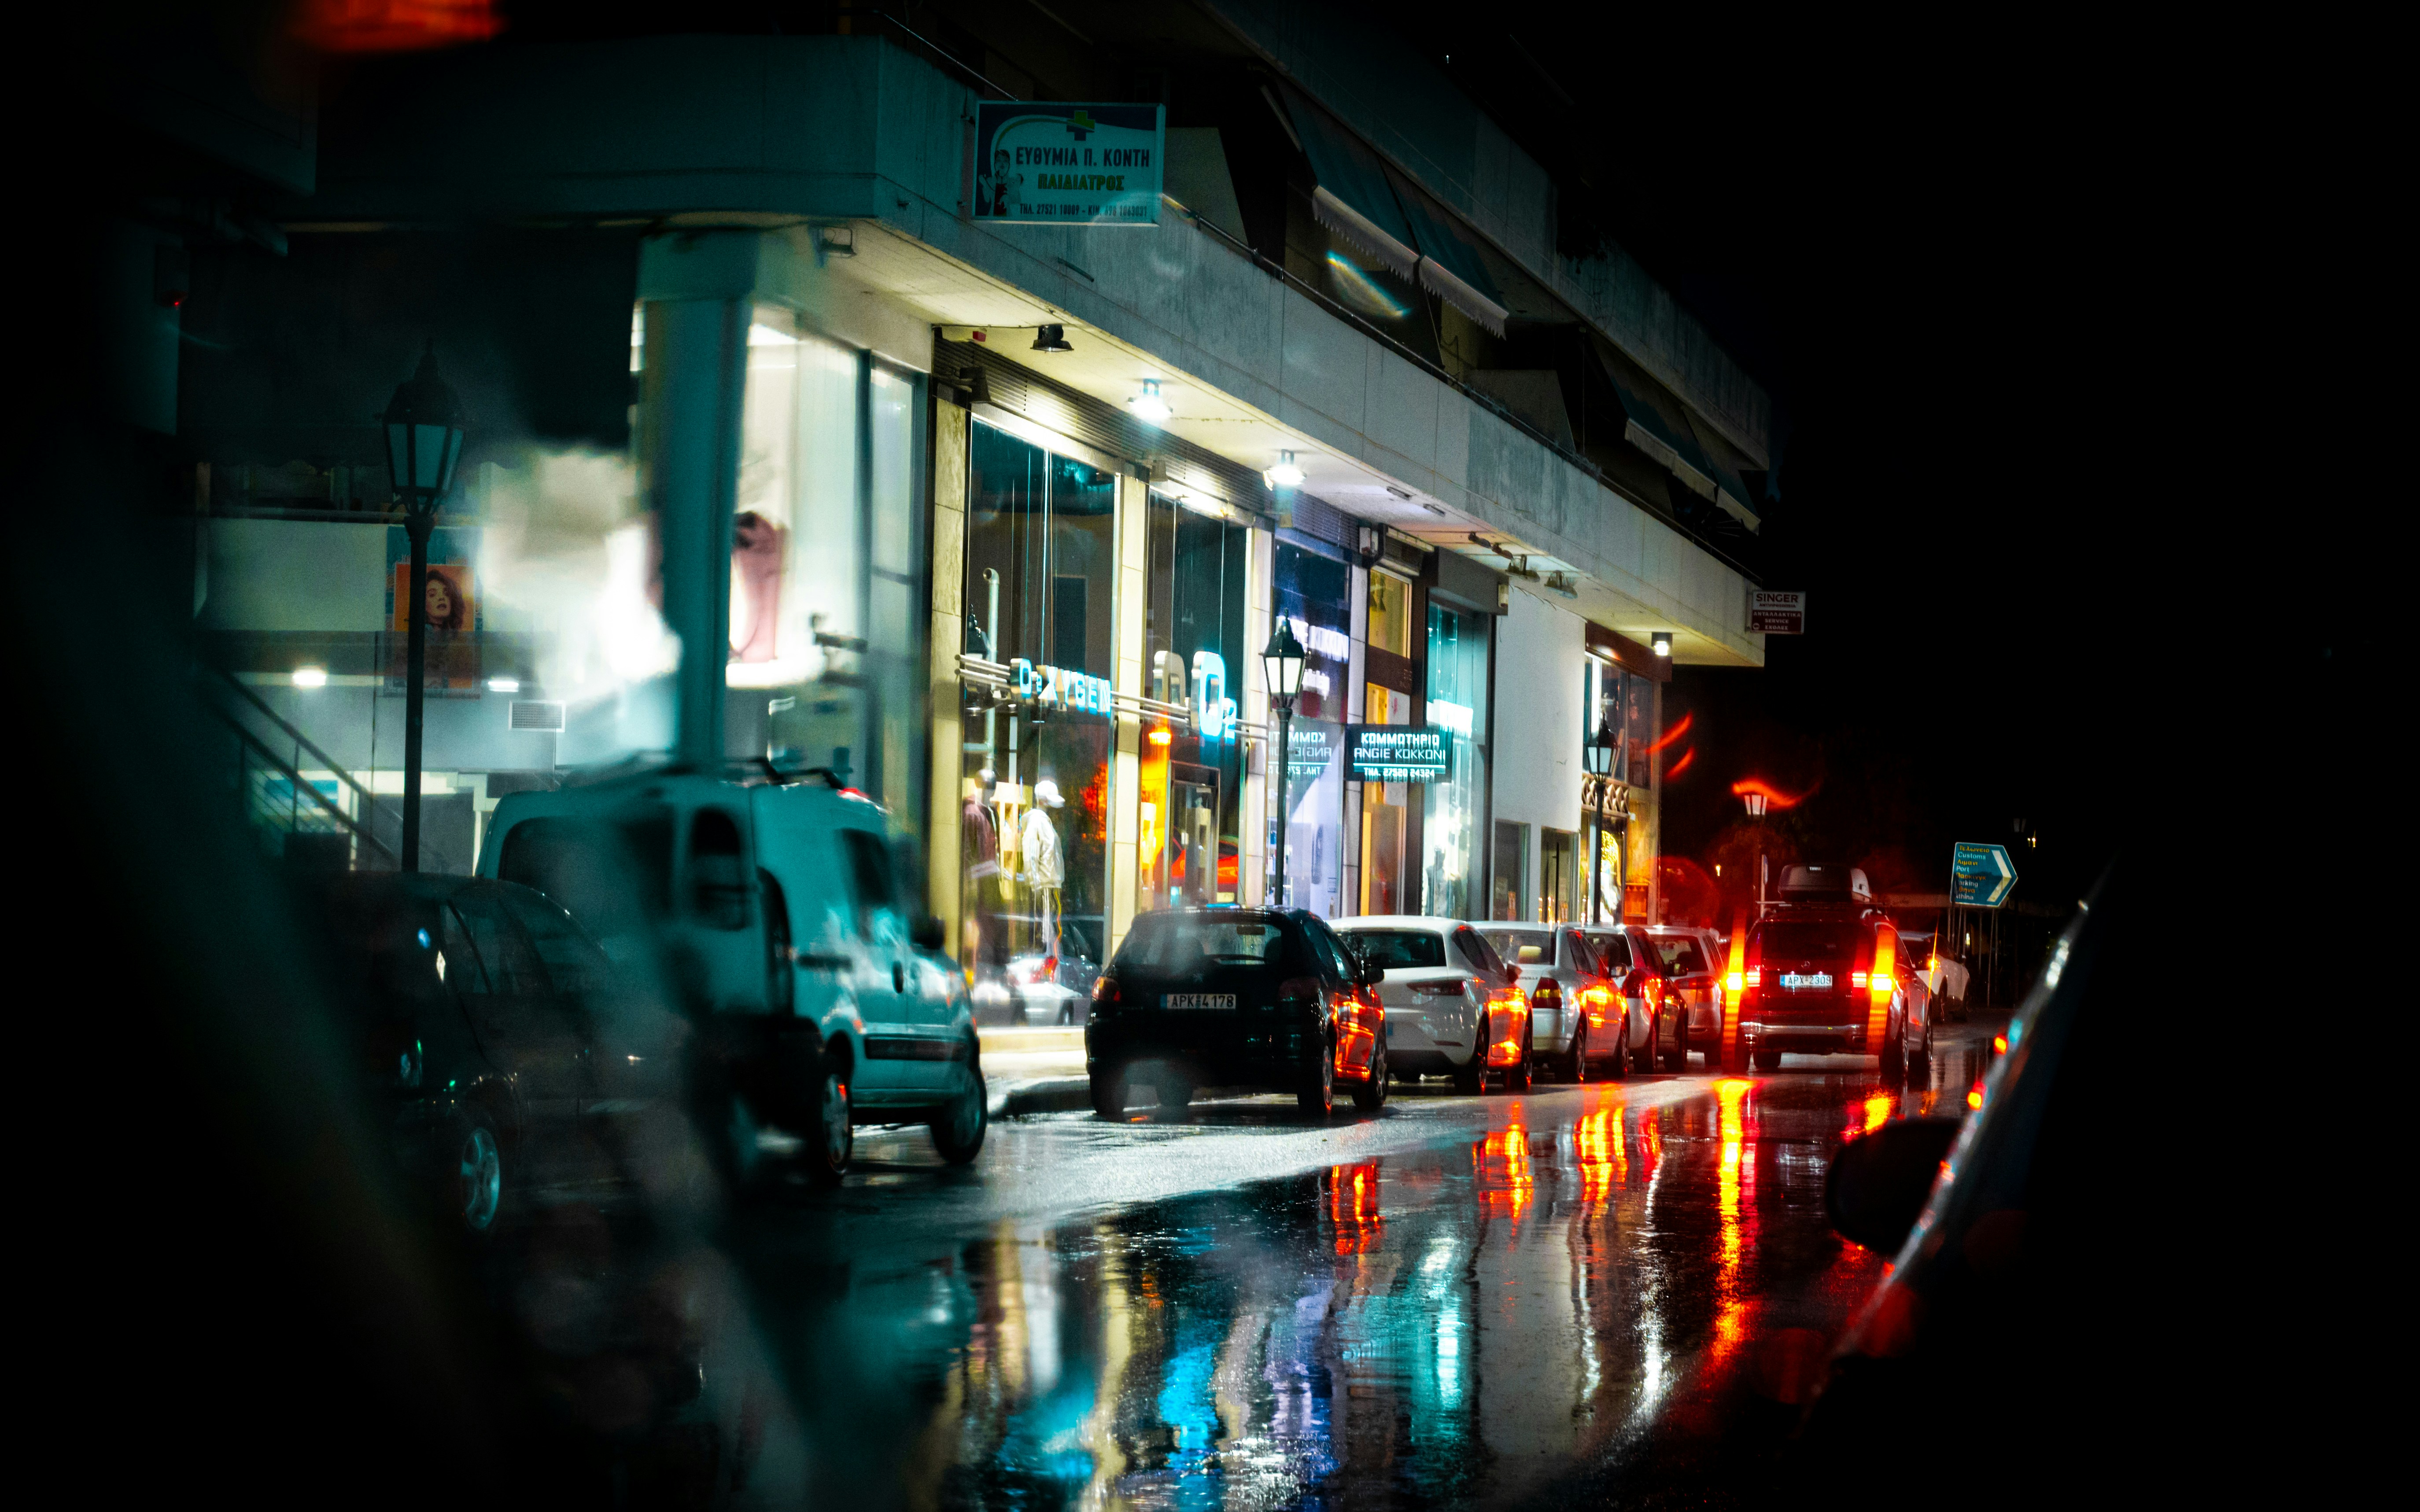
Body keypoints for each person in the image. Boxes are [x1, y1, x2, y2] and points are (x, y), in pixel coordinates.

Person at [1022, 778, 1065, 956]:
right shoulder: (1037, 822)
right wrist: (1036, 885)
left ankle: (1051, 969)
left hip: (1051, 886)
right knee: (1046, 934)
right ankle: (1045, 969)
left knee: (1053, 932)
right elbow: (1031, 855)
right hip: (1045, 887)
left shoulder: (1045, 822)